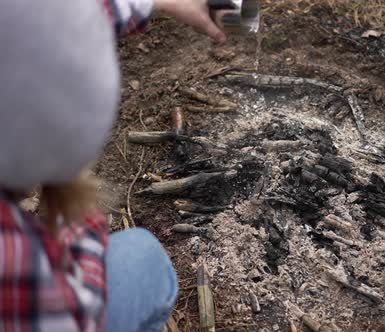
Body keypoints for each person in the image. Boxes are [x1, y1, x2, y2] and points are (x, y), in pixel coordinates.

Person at [0, 0, 225, 331]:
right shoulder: (14, 260)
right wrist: (82, 220)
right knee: (145, 258)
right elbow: (78, 310)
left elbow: (46, 19)